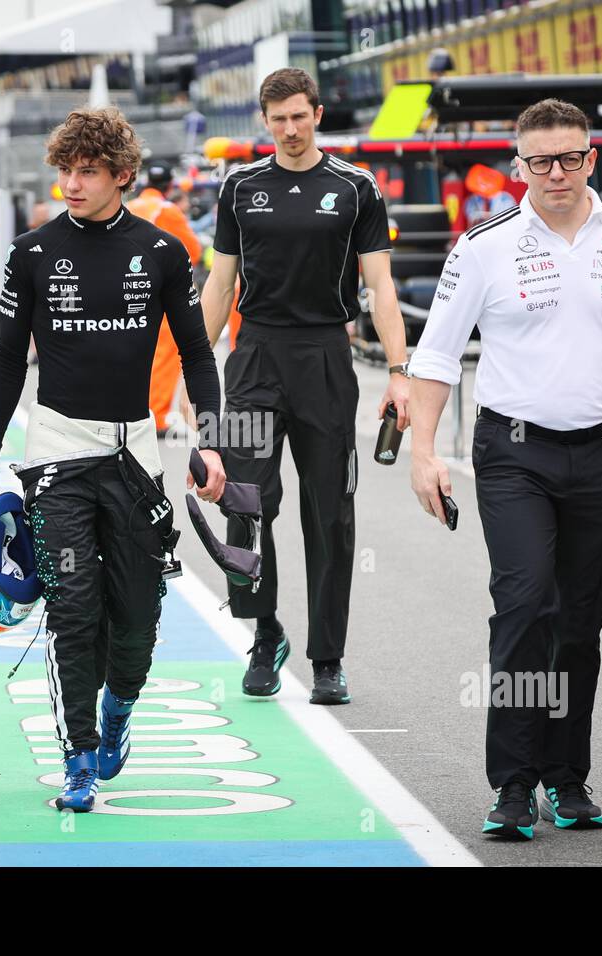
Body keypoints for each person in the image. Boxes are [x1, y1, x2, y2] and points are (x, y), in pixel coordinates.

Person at [408, 98, 602, 840]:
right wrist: (423, 452)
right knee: (524, 610)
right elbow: (437, 357)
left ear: (591, 159)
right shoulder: (483, 247)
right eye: (540, 160)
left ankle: (566, 776)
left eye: (570, 158)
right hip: (514, 454)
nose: (556, 172)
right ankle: (512, 784)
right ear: (519, 166)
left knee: (579, 625)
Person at [0, 107, 224, 812]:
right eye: (65, 171)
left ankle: (118, 713)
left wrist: (212, 437)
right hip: (55, 456)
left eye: (87, 172)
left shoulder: (165, 253)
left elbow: (197, 352)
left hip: (135, 454)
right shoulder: (33, 253)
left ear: (122, 176)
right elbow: (8, 360)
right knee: (74, 611)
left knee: (136, 618)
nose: (71, 184)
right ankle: (77, 759)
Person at [200, 67, 409, 705]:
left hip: (325, 356)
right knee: (245, 502)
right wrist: (193, 365)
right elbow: (219, 284)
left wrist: (400, 373)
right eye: (277, 119)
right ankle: (265, 633)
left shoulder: (355, 187)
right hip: (255, 354)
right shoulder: (238, 187)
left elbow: (381, 288)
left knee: (329, 513)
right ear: (264, 122)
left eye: (299, 116)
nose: (289, 129)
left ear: (317, 114)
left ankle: (328, 659)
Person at [128, 163, 203, 434]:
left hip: (125, 287)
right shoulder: (167, 210)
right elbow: (191, 251)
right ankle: (155, 415)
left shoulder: (131, 207)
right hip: (157, 290)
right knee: (164, 352)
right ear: (170, 187)